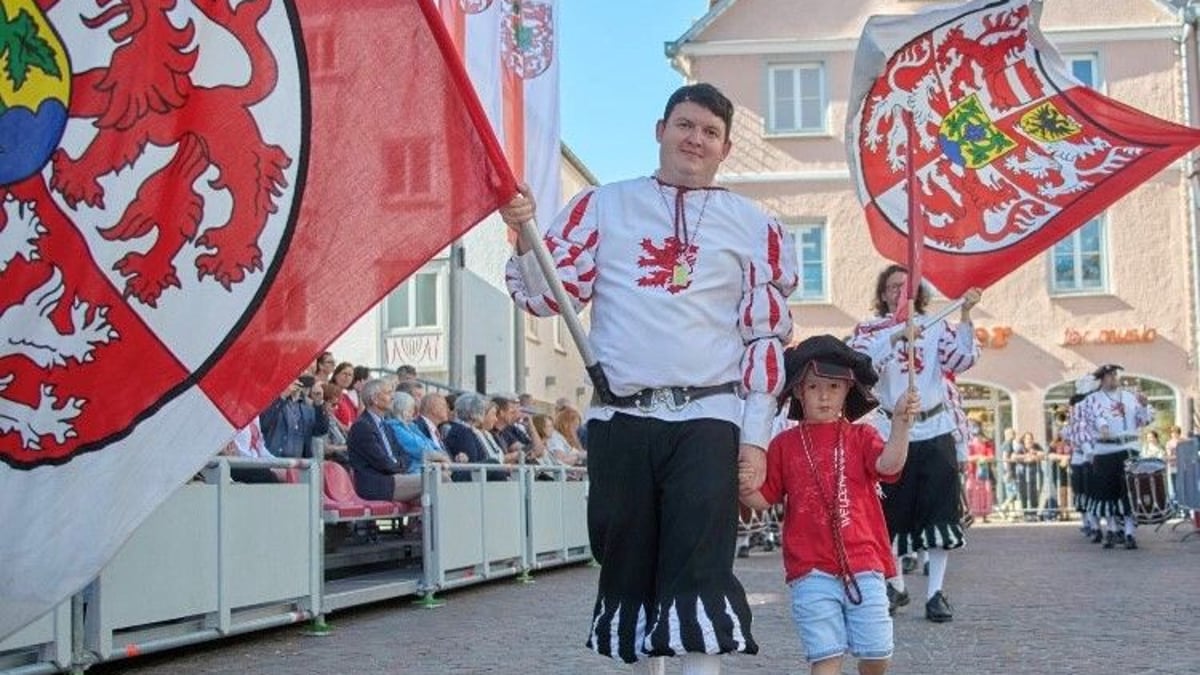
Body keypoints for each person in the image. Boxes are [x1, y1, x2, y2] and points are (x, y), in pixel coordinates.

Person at [500, 82, 797, 670]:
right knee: (627, 563)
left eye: (710, 132)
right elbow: (544, 296)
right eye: (685, 125)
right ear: (660, 131)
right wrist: (524, 233)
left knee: (699, 566)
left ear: (726, 148)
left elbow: (764, 339)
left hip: (708, 415)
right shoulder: (603, 206)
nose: (696, 139)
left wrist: (757, 438)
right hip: (622, 414)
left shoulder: (754, 226)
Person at [739, 335, 918, 675]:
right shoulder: (783, 445)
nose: (824, 395)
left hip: (864, 561)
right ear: (796, 392)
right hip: (810, 569)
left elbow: (890, 465)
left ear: (848, 391)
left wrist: (900, 426)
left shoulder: (861, 437)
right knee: (825, 656)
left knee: (877, 652)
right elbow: (764, 498)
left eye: (834, 386)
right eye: (814, 387)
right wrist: (744, 486)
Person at [847, 264, 981, 623]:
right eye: (892, 287)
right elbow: (861, 367)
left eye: (906, 287)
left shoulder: (937, 325)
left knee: (939, 512)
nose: (899, 293)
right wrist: (894, 337)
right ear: (882, 292)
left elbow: (963, 358)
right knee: (892, 513)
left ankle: (936, 592)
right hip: (894, 431)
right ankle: (898, 585)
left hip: (935, 428)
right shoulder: (869, 329)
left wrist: (966, 312)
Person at [1078, 364, 1152, 549]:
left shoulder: (1129, 396)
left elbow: (1144, 420)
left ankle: (1128, 533)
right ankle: (1111, 529)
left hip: (1129, 449)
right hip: (1105, 451)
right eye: (1109, 375)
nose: (1113, 378)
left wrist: (1143, 406)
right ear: (1101, 379)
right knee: (1107, 493)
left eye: (1115, 374)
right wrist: (1101, 426)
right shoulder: (1092, 399)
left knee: (1128, 492)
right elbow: (1092, 417)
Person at [346, 379, 423, 502]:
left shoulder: (385, 426)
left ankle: (425, 522)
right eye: (388, 393)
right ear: (375, 399)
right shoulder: (362, 427)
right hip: (378, 485)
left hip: (394, 479)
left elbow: (405, 456)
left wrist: (398, 466)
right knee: (439, 480)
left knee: (432, 497)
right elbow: (383, 463)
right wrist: (399, 466)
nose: (393, 397)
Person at [259, 375, 328, 459]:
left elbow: (320, 430)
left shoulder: (307, 406)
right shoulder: (274, 401)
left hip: (297, 465)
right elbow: (263, 424)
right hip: (273, 462)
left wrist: (318, 403)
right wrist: (283, 395)